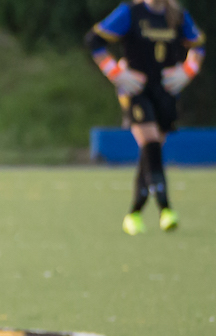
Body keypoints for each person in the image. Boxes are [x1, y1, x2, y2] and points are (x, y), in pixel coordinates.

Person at [86, 0, 206, 235]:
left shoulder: (178, 15)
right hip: (136, 89)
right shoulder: (130, 13)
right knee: (150, 142)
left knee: (151, 152)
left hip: (165, 91)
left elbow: (198, 45)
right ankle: (166, 208)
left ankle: (134, 214)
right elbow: (93, 40)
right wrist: (115, 72)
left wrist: (188, 70)